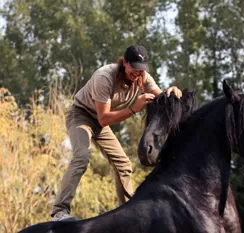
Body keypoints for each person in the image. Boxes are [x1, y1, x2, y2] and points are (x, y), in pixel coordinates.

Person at [51, 45, 182, 221]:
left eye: (142, 70)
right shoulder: (104, 77)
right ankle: (59, 211)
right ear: (125, 63)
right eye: (134, 68)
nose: (137, 73)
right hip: (82, 116)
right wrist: (134, 108)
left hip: (101, 123)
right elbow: (104, 118)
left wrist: (173, 92)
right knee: (82, 156)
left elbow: (162, 99)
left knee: (124, 165)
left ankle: (129, 213)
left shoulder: (142, 77)